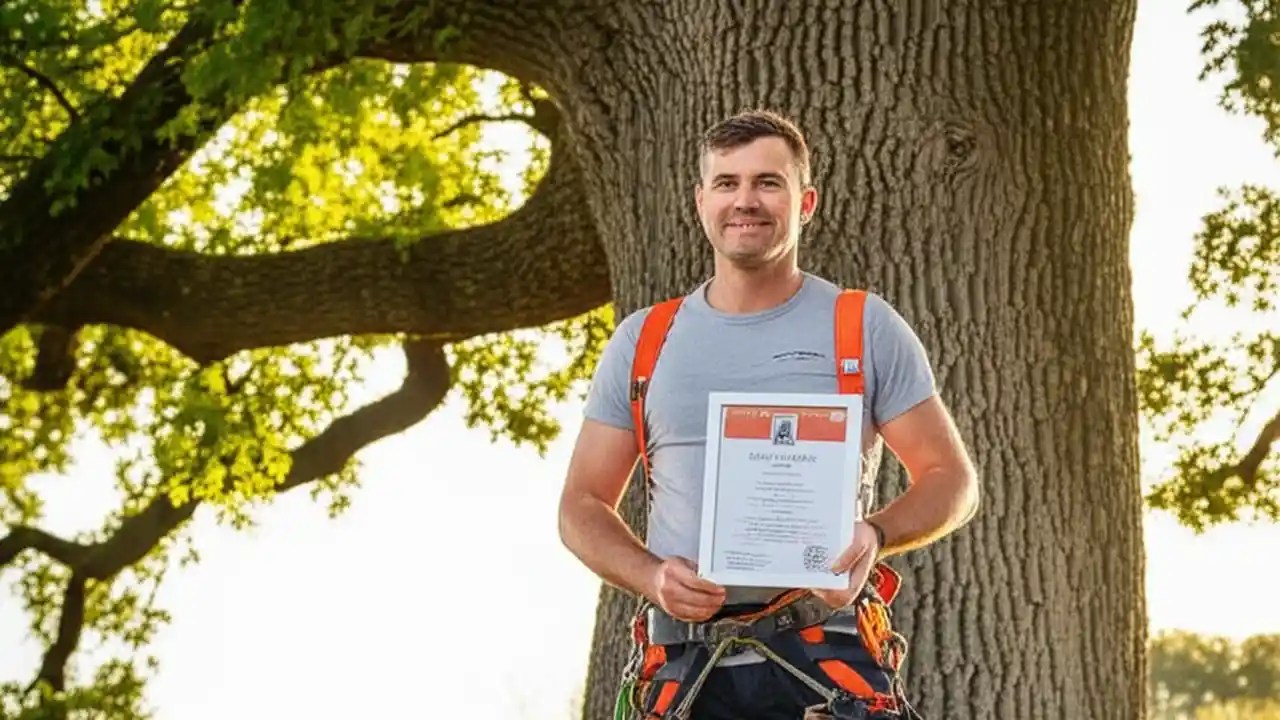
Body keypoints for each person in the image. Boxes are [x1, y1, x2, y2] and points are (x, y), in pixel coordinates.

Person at [557, 109, 980, 719]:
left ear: (805, 202)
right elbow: (581, 505)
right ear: (700, 201)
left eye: (767, 182)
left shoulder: (862, 326)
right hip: (684, 666)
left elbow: (952, 480)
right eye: (726, 183)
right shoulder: (644, 340)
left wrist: (874, 534)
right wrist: (651, 577)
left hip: (825, 655)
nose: (745, 201)